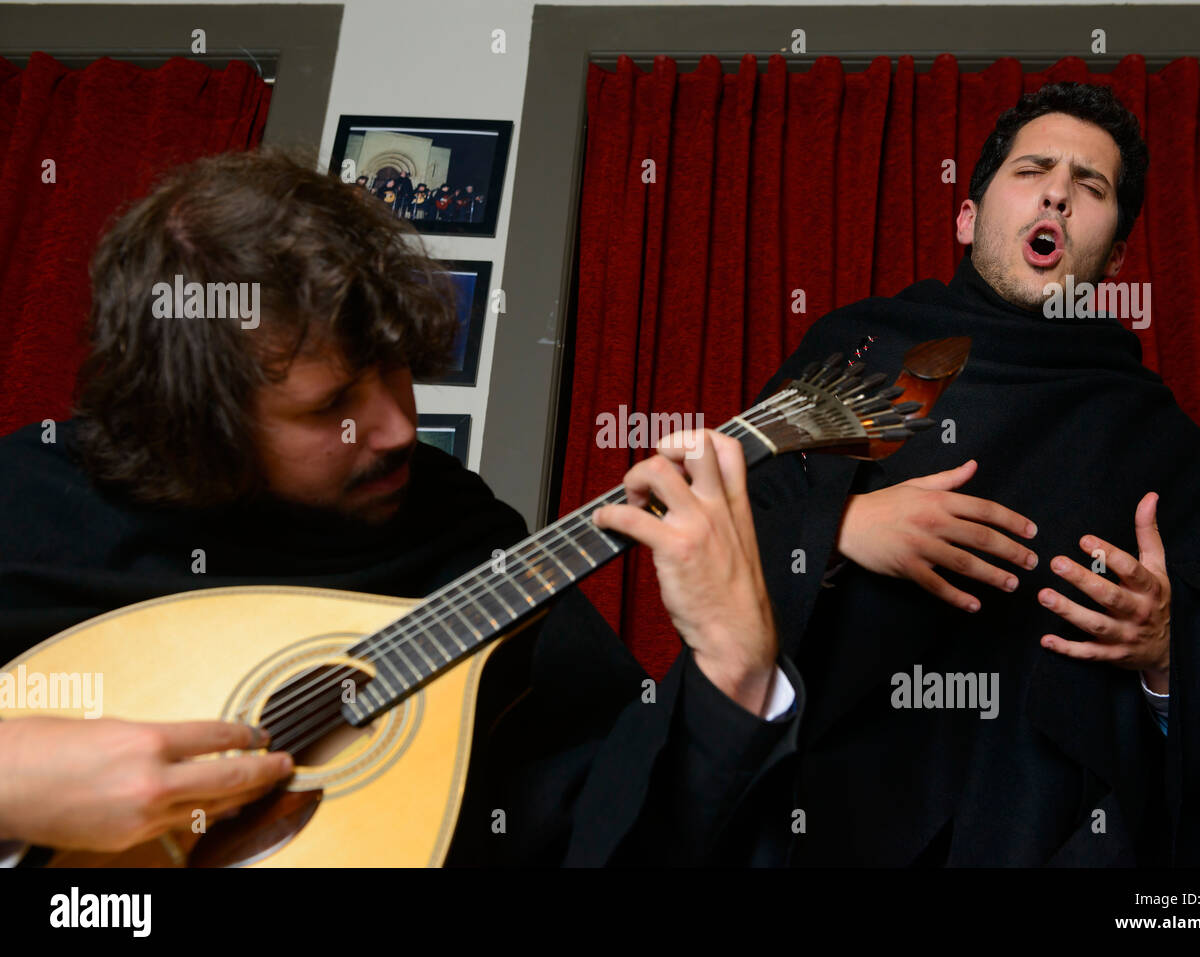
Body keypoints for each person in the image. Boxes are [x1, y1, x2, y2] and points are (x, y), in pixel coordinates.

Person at [0, 150, 796, 866]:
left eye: (395, 368)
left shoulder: (457, 524)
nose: (397, 428)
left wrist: (733, 668)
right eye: (330, 405)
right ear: (194, 422)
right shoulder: (26, 505)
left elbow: (612, 829)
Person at [695, 81, 1200, 866]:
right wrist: (844, 529)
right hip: (815, 819)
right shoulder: (861, 351)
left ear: (1116, 255)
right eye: (1032, 170)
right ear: (969, 215)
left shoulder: (1149, 432)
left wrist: (1165, 652)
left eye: (1092, 187)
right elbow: (706, 526)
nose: (1058, 192)